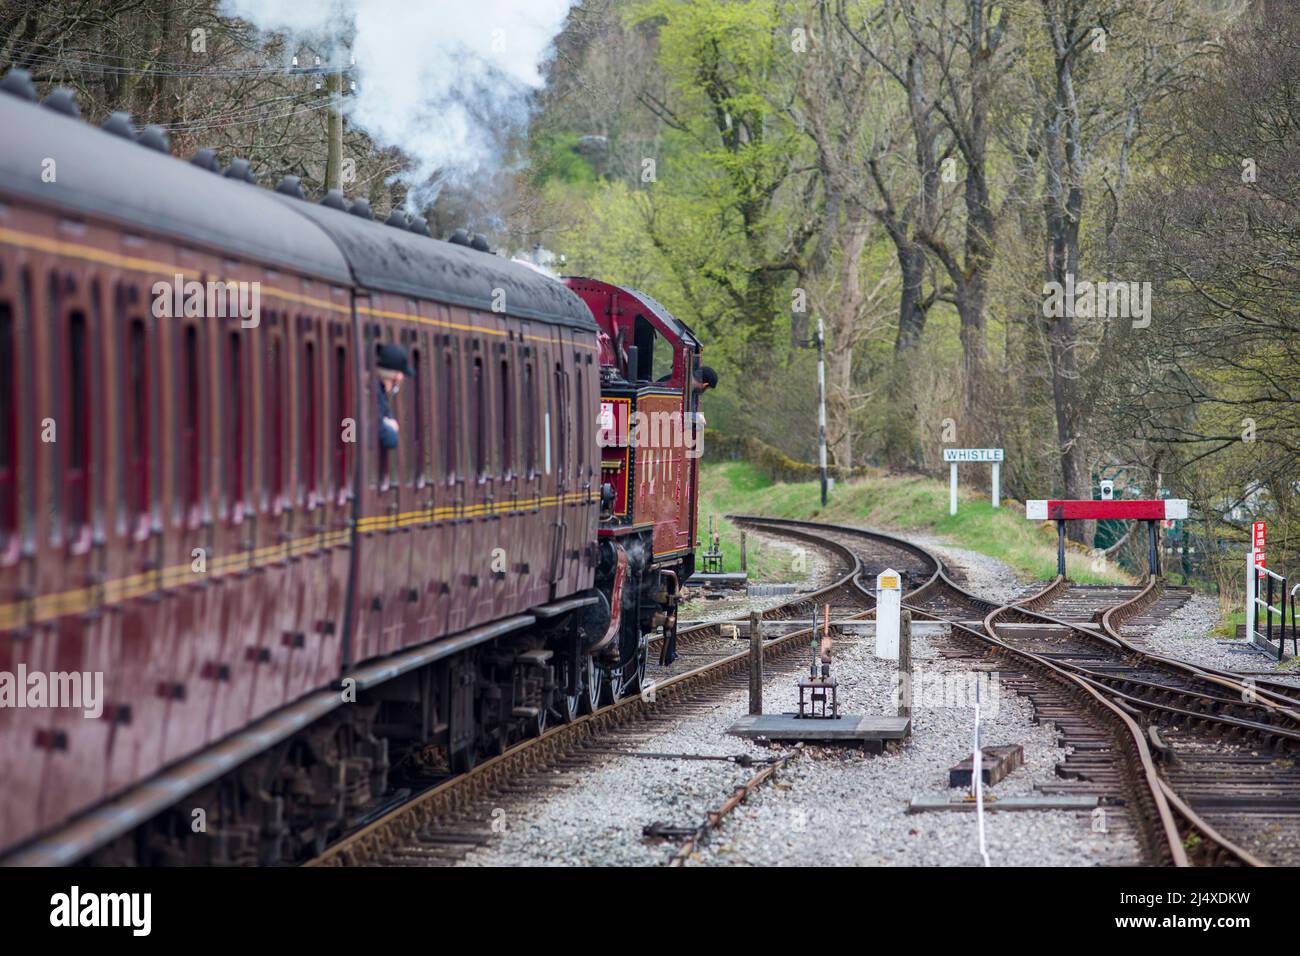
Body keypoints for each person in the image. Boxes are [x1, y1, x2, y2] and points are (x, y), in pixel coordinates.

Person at [375, 342, 415, 450]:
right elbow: (387, 438)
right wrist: (391, 428)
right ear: (397, 377)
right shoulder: (375, 394)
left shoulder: (379, 394)